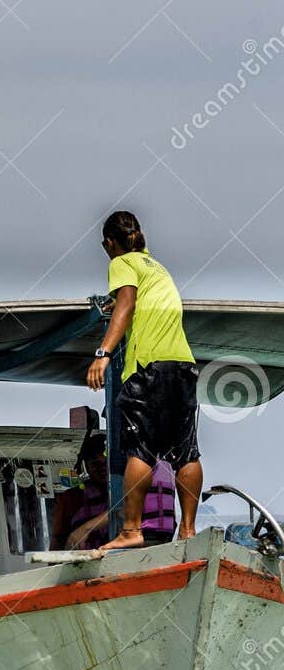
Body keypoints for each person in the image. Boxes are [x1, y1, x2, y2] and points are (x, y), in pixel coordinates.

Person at [86, 210, 202, 550]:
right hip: (181, 364)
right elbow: (140, 303)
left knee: (140, 448)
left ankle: (131, 530)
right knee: (187, 451)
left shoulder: (122, 263)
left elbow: (127, 302)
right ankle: (189, 531)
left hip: (149, 365)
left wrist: (103, 353)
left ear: (109, 242)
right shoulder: (156, 267)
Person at [51, 433, 180, 550]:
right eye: (95, 464)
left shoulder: (135, 478)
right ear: (86, 465)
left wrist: (86, 528)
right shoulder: (72, 497)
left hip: (144, 543)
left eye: (105, 463)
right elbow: (57, 538)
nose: (102, 469)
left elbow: (126, 508)